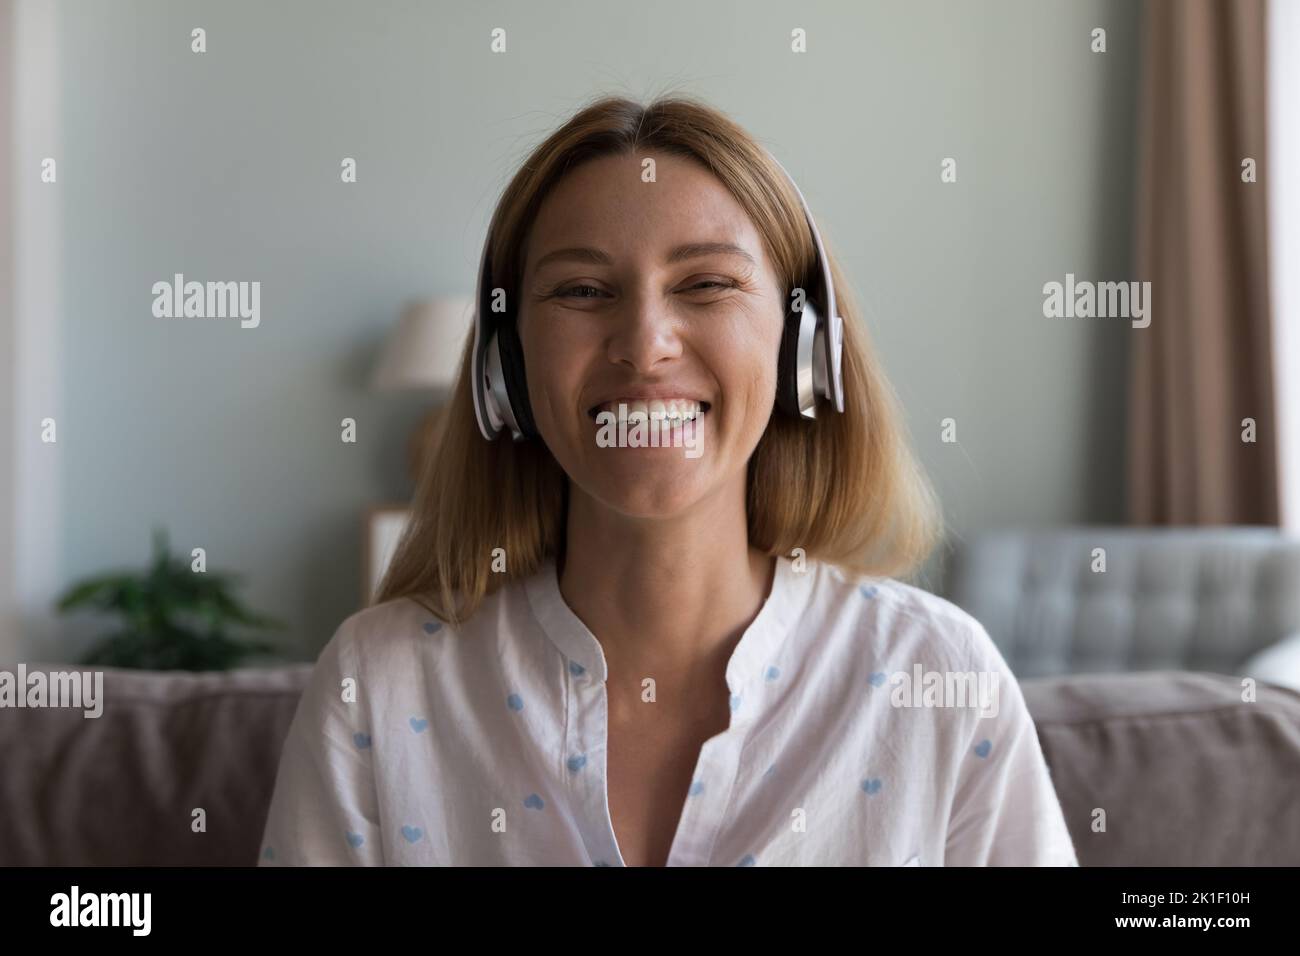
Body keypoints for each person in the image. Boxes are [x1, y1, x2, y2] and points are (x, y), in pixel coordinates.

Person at [258, 93, 1078, 867]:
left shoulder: (940, 677)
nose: (644, 343)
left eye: (707, 284)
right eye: (582, 290)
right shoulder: (378, 682)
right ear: (506, 366)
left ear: (803, 350)